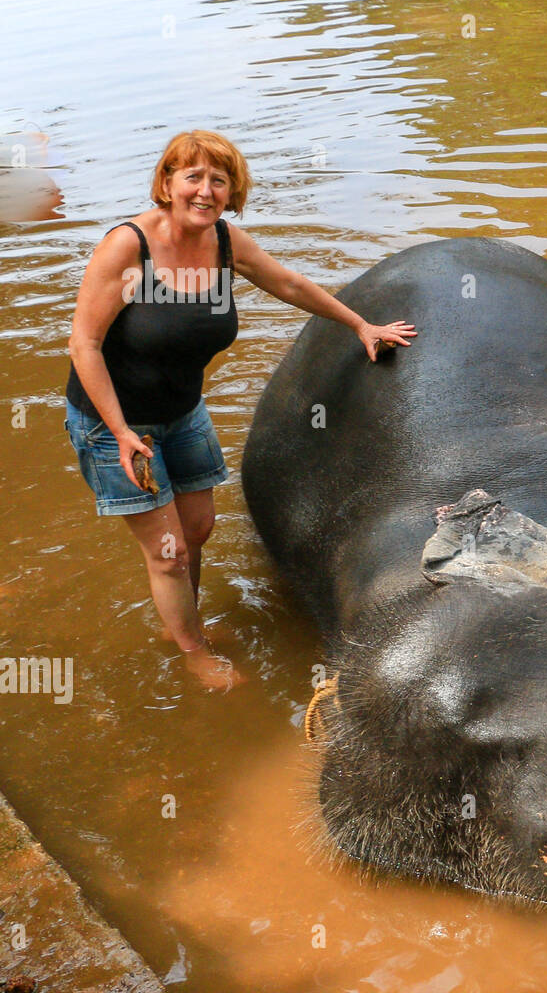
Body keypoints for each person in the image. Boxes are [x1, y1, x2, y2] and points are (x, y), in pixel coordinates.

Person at [64, 130, 416, 689]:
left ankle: (178, 622)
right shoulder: (128, 247)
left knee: (198, 528)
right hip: (114, 421)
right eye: (193, 177)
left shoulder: (225, 243)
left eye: (218, 181)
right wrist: (119, 431)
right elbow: (83, 344)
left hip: (182, 412)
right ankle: (194, 653)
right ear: (166, 184)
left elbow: (288, 282)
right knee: (169, 550)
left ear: (232, 192)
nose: (205, 191)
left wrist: (360, 325)